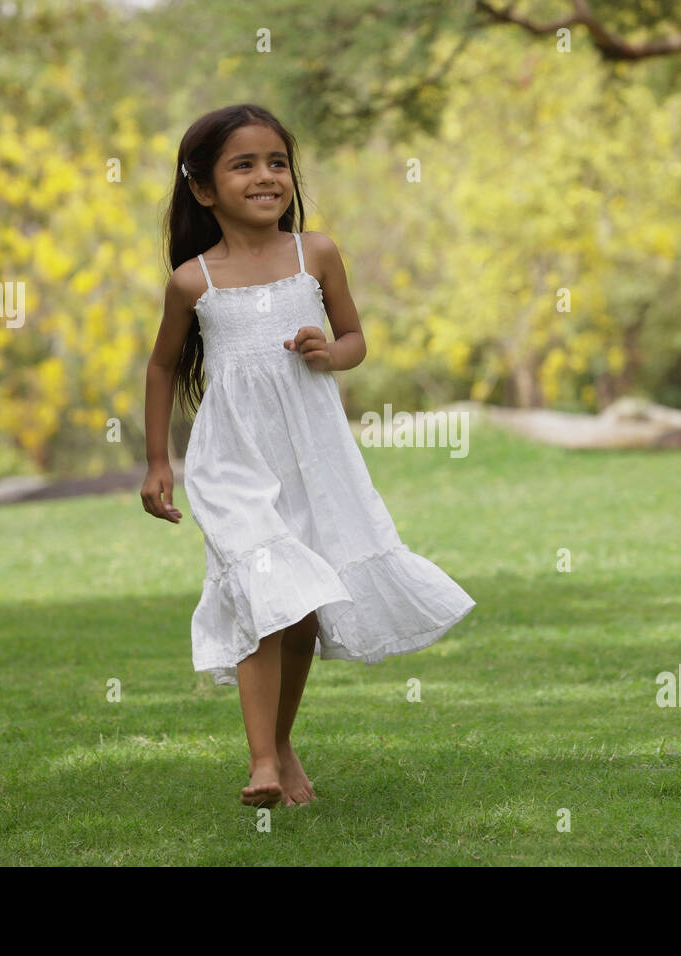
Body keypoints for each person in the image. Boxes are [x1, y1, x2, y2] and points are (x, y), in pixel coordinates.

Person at [140, 104, 476, 809]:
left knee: (302, 613)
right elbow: (162, 368)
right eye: (244, 165)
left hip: (312, 456)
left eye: (277, 162)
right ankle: (262, 762)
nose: (266, 176)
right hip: (231, 462)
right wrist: (156, 463)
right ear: (203, 189)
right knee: (268, 591)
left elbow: (355, 338)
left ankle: (282, 742)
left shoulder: (314, 254)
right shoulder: (192, 281)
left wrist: (331, 352)